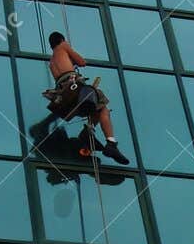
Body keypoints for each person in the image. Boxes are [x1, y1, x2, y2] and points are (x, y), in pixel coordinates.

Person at [43, 32, 130, 164]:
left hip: (64, 94)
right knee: (103, 108)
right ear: (61, 40)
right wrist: (72, 58)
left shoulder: (51, 62)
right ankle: (111, 144)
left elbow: (61, 74)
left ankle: (87, 133)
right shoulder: (63, 46)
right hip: (74, 85)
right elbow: (82, 62)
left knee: (94, 109)